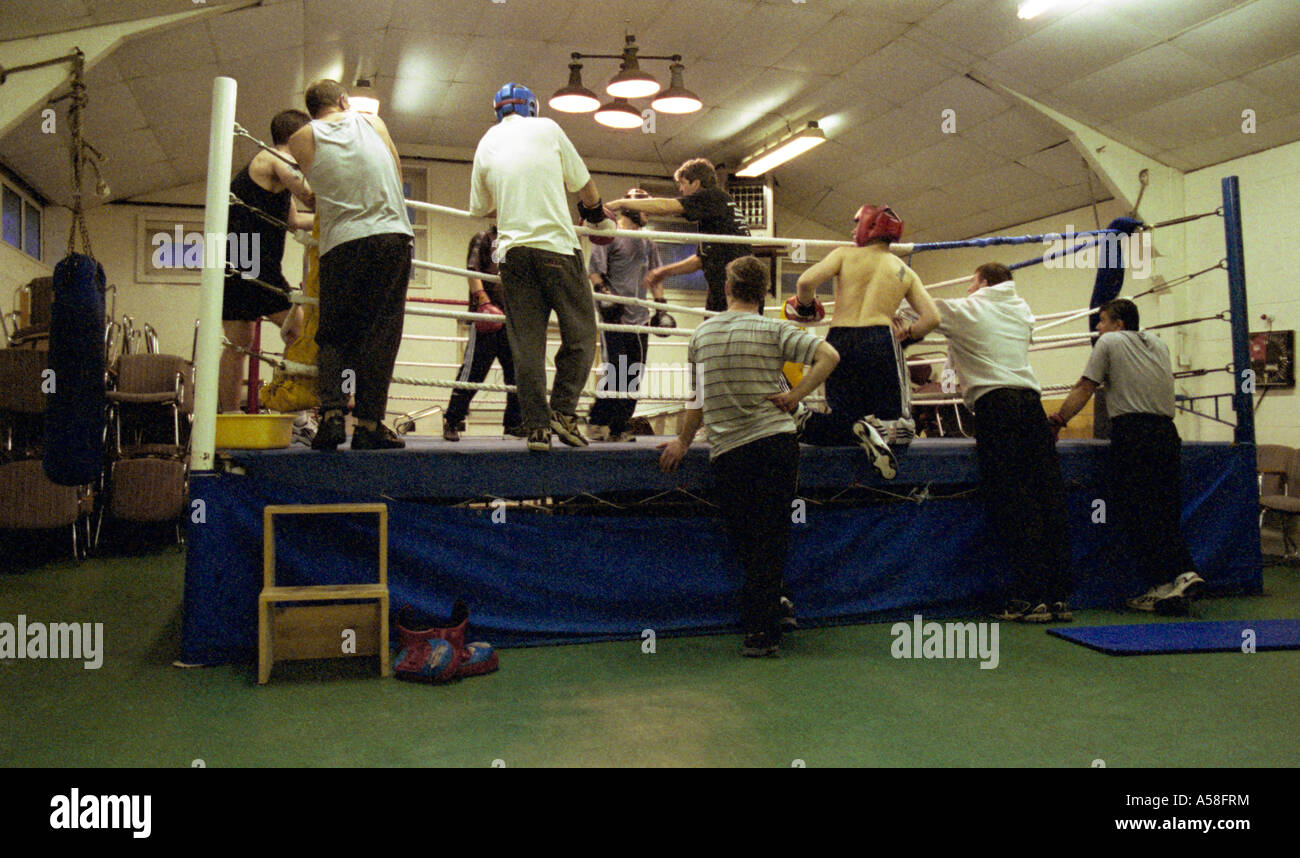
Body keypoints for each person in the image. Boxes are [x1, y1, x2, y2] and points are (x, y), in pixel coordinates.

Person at [659, 256, 840, 657]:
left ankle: (765, 626)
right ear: (763, 293)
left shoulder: (702, 335)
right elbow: (830, 356)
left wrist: (683, 443)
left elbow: (698, 399)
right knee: (770, 536)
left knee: (745, 537)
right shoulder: (777, 329)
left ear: (727, 288)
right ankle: (771, 617)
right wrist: (796, 395)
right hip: (775, 442)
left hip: (728, 451)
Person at [469, 82, 608, 452]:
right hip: (557, 249)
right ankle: (562, 411)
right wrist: (595, 215)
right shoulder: (548, 128)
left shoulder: (486, 141)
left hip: (513, 255)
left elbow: (479, 207)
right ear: (532, 107)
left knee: (527, 345)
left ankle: (536, 428)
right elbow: (584, 185)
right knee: (580, 334)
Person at [933, 262, 1073, 622]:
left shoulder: (971, 307)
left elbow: (918, 308)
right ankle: (1057, 596)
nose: (966, 290)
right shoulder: (1022, 309)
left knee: (1013, 499)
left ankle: (1027, 597)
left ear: (981, 282)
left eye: (970, 283)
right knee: (1048, 496)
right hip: (1032, 407)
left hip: (997, 408)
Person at [1050, 298, 1205, 614]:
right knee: (1162, 508)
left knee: (1138, 510)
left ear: (1119, 324)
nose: (1098, 327)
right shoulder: (1158, 344)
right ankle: (1164, 587)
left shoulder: (1110, 341)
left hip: (1134, 433)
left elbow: (1086, 385)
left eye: (1103, 320)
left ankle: (1184, 572)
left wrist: (1057, 420)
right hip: (1166, 433)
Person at [287, 80, 414, 450]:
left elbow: (314, 193)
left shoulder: (301, 138)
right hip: (390, 234)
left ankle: (331, 418)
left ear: (312, 111)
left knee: (336, 334)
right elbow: (396, 172)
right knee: (381, 334)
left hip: (341, 244)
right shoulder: (373, 124)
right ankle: (369, 425)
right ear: (344, 100)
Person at [789, 205, 940, 479]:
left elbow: (805, 281)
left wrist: (806, 307)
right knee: (896, 423)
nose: (851, 230)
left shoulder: (844, 255)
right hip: (880, 339)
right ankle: (888, 485)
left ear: (868, 227)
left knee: (843, 415)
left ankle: (811, 423)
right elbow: (932, 318)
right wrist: (910, 334)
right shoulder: (903, 270)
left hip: (839, 341)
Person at [220, 109, 315, 413]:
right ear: (297, 137)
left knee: (241, 342)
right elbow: (310, 195)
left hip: (250, 262)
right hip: (248, 262)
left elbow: (298, 220)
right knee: (297, 332)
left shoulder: (274, 179)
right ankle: (283, 409)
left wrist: (345, 220)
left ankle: (240, 413)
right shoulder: (273, 158)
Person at [608, 158, 751, 313]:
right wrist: (662, 272)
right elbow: (700, 260)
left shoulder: (711, 197)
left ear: (696, 183)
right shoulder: (716, 210)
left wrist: (620, 204)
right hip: (725, 287)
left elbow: (666, 206)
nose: (681, 190)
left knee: (722, 332)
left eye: (683, 183)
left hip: (736, 291)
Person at [587, 189, 665, 442]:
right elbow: (595, 273)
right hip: (616, 317)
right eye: (645, 210)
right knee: (616, 370)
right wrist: (606, 295)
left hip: (640, 318)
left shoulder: (648, 241)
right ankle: (598, 421)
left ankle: (620, 426)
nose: (648, 215)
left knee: (635, 372)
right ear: (630, 209)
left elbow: (655, 276)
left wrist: (661, 307)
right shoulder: (609, 236)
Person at [442, 226, 524, 441]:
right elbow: (473, 271)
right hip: (487, 317)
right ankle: (452, 419)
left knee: (516, 373)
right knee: (473, 372)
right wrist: (484, 303)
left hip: (511, 318)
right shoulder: (483, 237)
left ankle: (514, 423)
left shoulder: (518, 241)